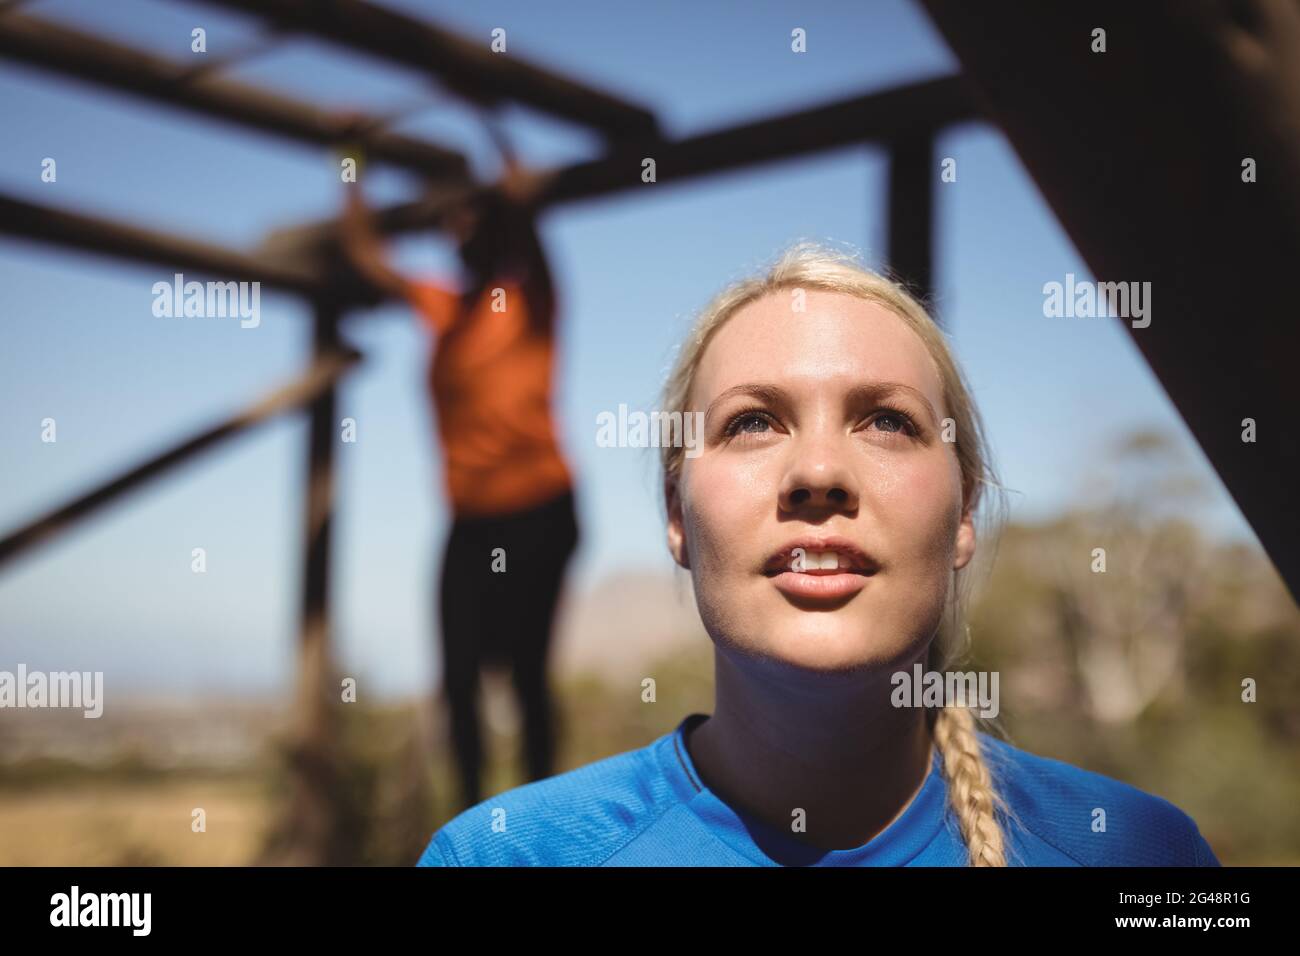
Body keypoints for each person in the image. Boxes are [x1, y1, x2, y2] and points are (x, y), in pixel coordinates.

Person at [414, 241, 1219, 866]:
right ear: (677, 516)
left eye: (887, 422)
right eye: (752, 422)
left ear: (965, 512)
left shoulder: (1148, 857)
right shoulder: (503, 855)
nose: (820, 474)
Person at [340, 160, 580, 812]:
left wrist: (515, 186)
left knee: (525, 676)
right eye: (452, 224)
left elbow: (528, 218)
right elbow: (367, 256)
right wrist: (353, 160)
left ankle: (540, 830)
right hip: (471, 522)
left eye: (472, 220)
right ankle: (471, 828)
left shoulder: (532, 301)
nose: (457, 232)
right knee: (457, 675)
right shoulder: (443, 307)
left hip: (541, 511)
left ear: (498, 235)